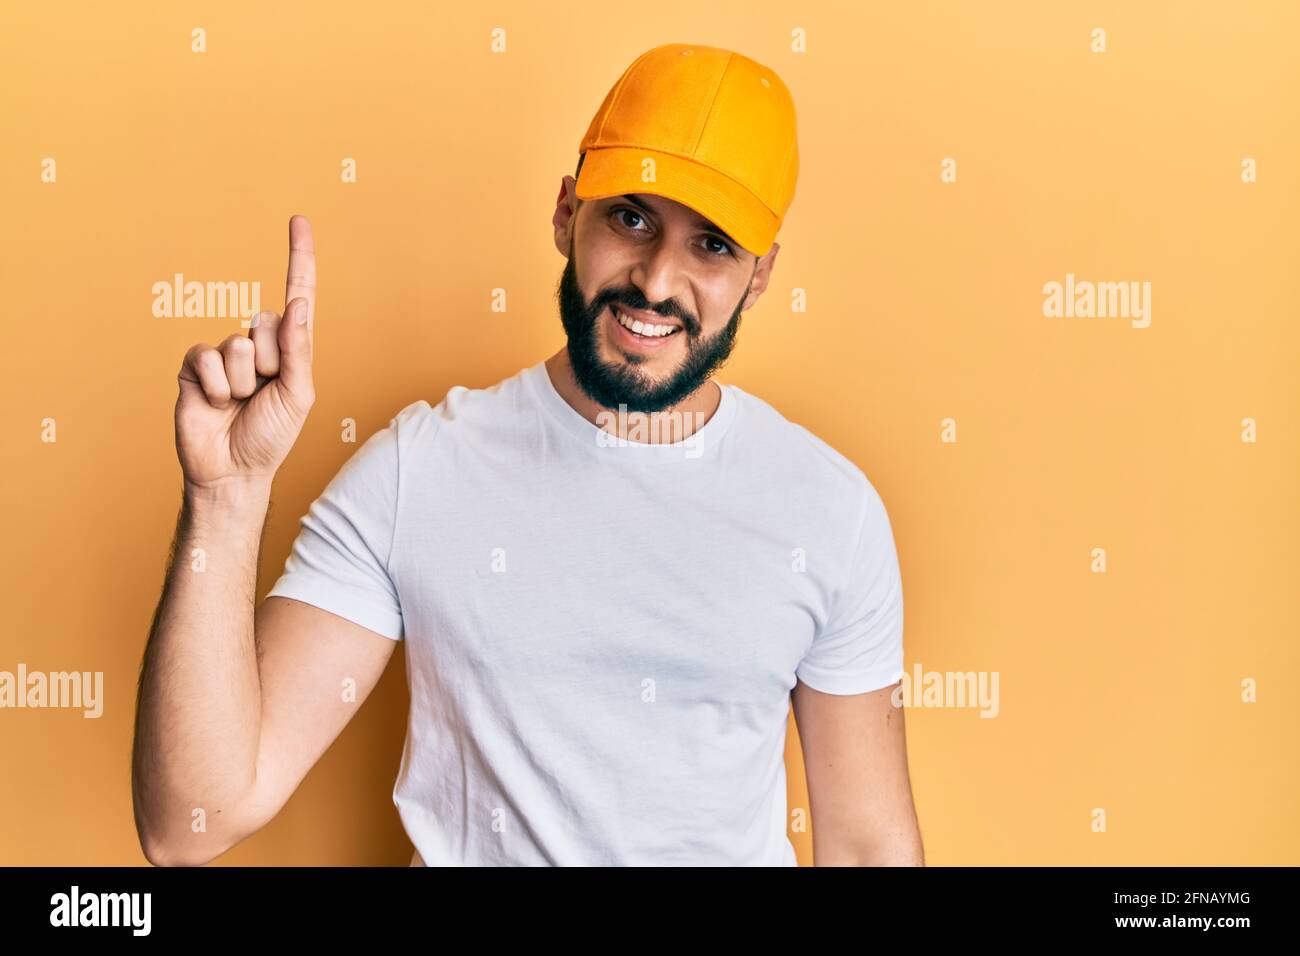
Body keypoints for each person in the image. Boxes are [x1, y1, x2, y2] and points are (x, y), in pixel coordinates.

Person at [132, 42, 924, 866]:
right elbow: (190, 820)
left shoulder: (829, 512)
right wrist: (224, 497)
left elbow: (867, 846)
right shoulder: (421, 472)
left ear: (758, 279)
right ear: (564, 214)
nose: (656, 281)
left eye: (713, 245)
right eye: (632, 217)